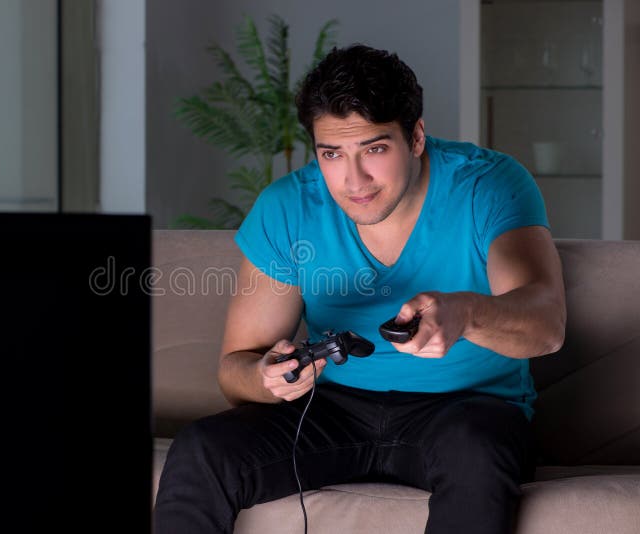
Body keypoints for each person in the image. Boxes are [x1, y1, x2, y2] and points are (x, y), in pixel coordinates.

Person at [154, 44, 566, 534]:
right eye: (332, 154)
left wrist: (466, 315)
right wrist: (266, 376)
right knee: (201, 449)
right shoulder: (288, 208)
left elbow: (546, 325)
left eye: (374, 149)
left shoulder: (489, 185)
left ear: (415, 137)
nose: (354, 180)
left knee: (476, 452)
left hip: (468, 411)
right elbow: (235, 368)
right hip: (333, 411)